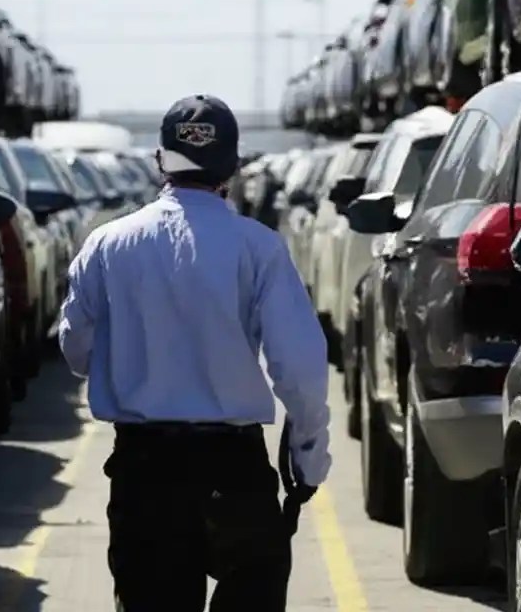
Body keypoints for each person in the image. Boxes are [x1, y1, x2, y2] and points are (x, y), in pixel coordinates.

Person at [58, 94, 330, 612]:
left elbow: (76, 348)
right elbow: (300, 367)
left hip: (145, 471)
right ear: (232, 166)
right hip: (235, 471)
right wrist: (309, 457)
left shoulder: (107, 243)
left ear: (160, 160)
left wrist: (137, 361)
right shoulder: (259, 247)